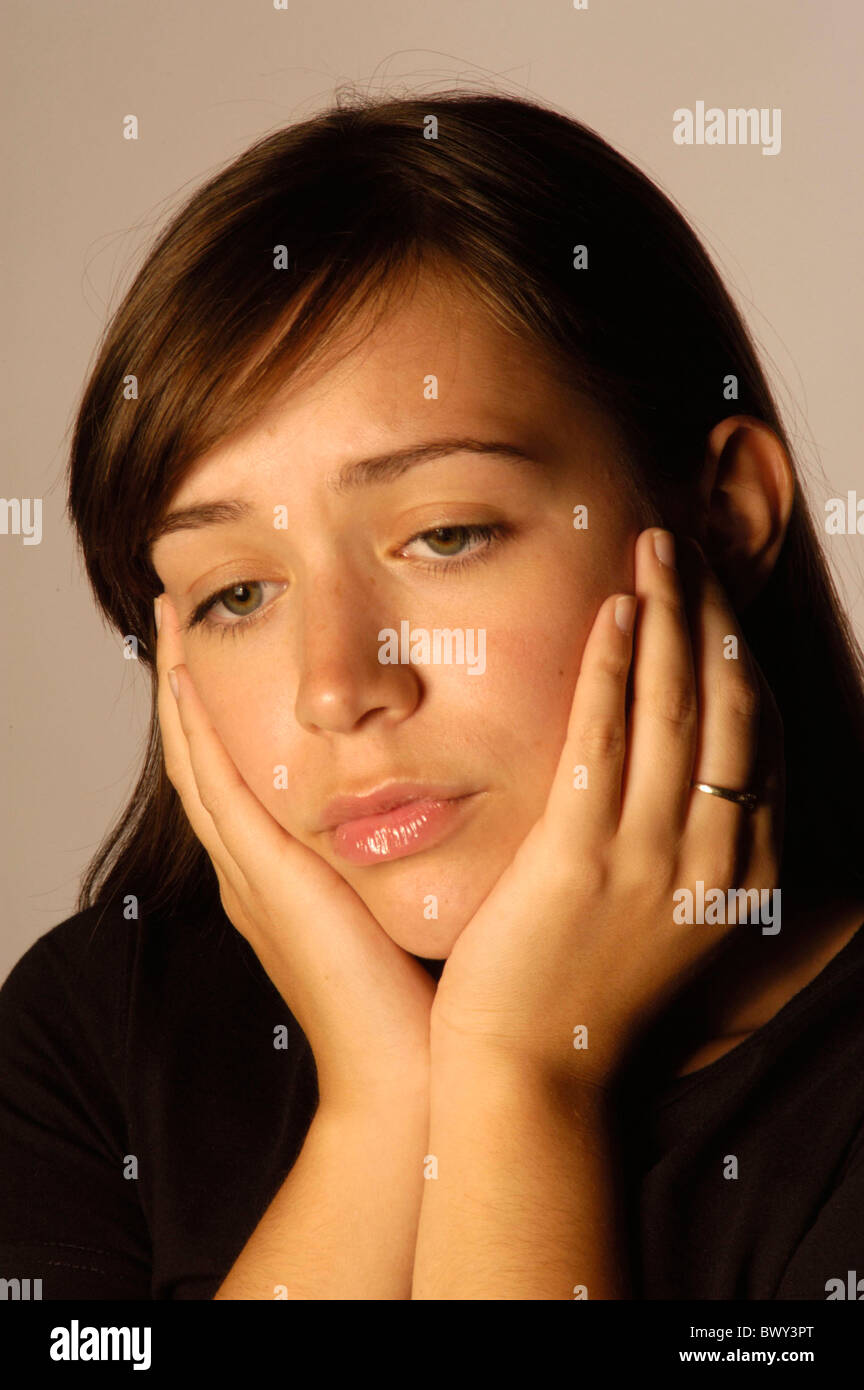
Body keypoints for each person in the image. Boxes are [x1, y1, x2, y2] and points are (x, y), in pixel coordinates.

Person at [1, 89, 863, 1301]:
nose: (337, 686)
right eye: (237, 594)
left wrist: (517, 1083)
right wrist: (381, 1110)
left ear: (723, 517)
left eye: (446, 533)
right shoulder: (89, 1043)